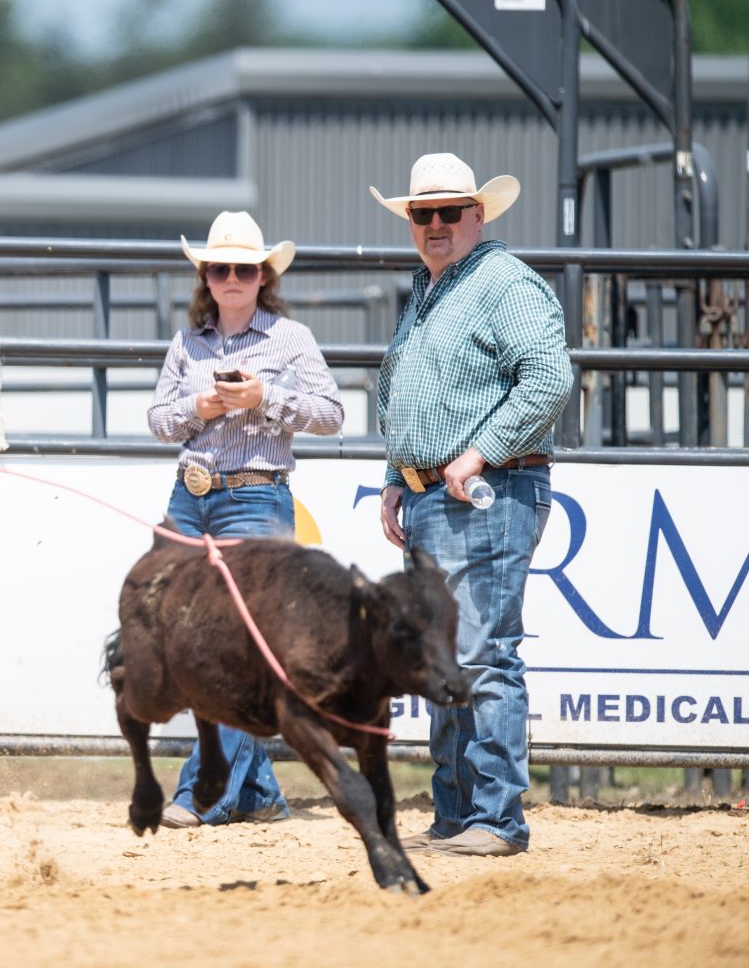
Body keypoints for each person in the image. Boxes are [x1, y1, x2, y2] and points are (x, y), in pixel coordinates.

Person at [370, 153, 572, 857]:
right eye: (422, 214)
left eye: (448, 212)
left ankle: (495, 817)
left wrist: (479, 451)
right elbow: (406, 393)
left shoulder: (504, 283)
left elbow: (549, 377)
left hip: (487, 490)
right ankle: (460, 814)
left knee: (482, 652)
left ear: (477, 216)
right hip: (437, 495)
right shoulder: (435, 289)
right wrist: (398, 471)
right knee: (450, 655)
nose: (434, 224)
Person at [148, 210, 344, 828]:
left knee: (231, 642)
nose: (232, 277)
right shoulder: (188, 344)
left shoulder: (291, 339)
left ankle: (202, 791)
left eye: (244, 268)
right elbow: (157, 420)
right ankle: (256, 792)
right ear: (207, 277)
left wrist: (267, 398)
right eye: (220, 268)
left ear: (263, 276)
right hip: (192, 493)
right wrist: (198, 407)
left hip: (256, 496)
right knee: (176, 629)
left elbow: (333, 413)